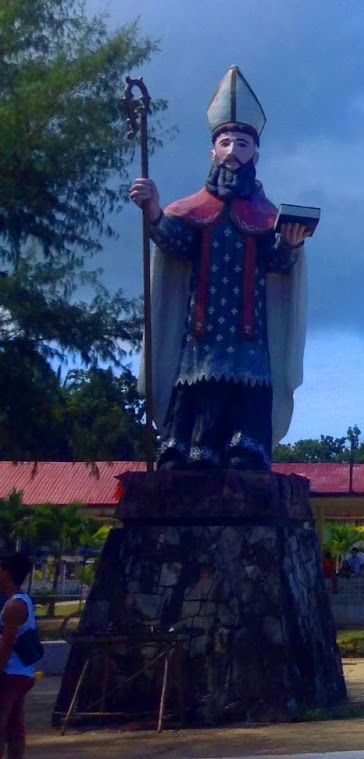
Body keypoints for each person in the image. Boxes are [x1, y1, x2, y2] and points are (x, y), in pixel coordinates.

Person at [129, 66, 310, 469]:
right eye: (225, 142)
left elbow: (276, 263)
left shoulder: (266, 216)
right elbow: (175, 244)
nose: (232, 151)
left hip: (249, 328)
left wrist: (291, 244)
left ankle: (246, 447)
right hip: (202, 323)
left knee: (247, 386)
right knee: (198, 381)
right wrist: (155, 210)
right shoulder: (193, 210)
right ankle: (188, 447)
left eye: (242, 143)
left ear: (255, 153)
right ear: (213, 151)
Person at [0, 553, 39, 759]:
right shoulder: (20, 601)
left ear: (6, 573)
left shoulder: (14, 606)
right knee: (14, 723)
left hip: (10, 672)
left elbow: (7, 645)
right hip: (21, 672)